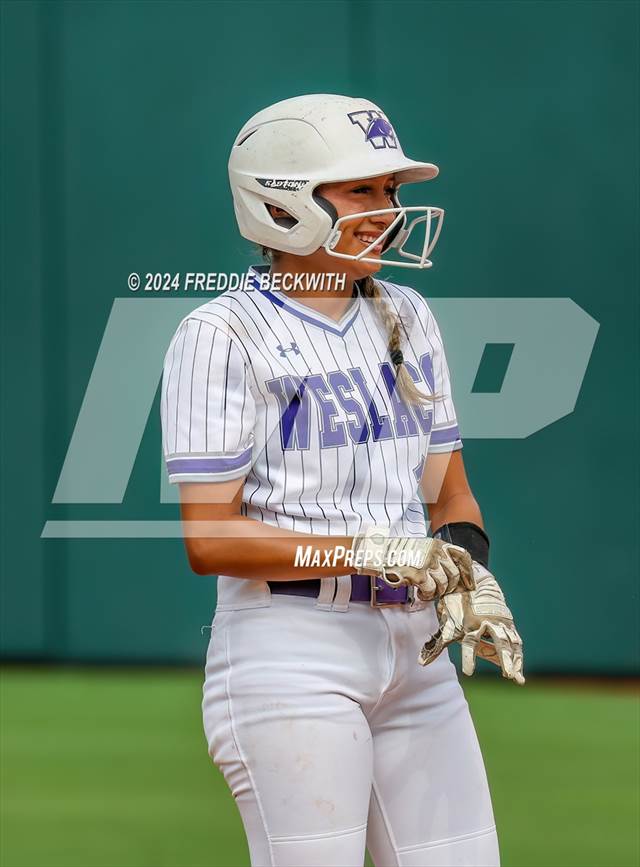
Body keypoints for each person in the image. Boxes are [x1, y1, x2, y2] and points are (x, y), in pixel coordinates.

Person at [160, 94, 524, 867]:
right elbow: (209, 536)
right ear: (282, 202)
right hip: (291, 653)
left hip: (414, 651)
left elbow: (449, 494)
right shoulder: (219, 334)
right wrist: (375, 551)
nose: (387, 209)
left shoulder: (409, 314)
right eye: (361, 189)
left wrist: (466, 569)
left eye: (390, 190)